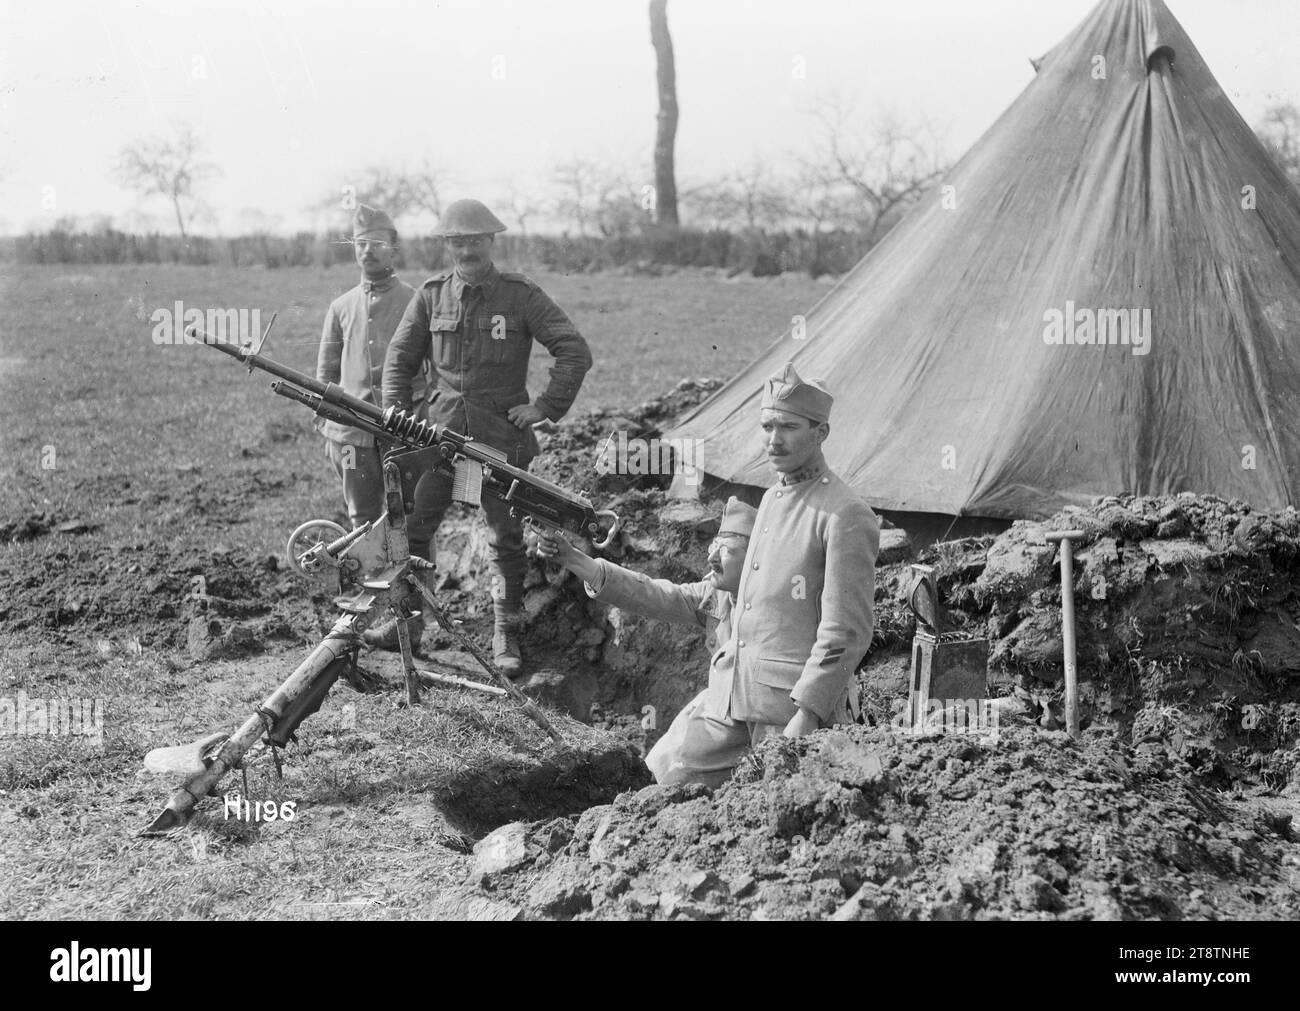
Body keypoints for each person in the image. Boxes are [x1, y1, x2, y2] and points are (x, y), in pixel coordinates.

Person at [543, 363, 879, 786]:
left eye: (788, 427)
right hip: (727, 705)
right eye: (767, 426)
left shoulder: (844, 514)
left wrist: (807, 715)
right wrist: (583, 564)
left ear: (821, 433)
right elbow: (695, 597)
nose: (774, 440)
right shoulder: (773, 498)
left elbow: (846, 631)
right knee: (658, 783)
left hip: (787, 714)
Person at [381, 198, 592, 670]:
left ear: (490, 242)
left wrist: (544, 407)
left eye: (475, 240)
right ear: (447, 245)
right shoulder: (432, 295)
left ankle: (505, 634)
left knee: (506, 537)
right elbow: (399, 360)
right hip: (439, 439)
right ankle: (410, 623)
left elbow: (574, 351)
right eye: (457, 241)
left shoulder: (520, 296)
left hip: (501, 439)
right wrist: (396, 418)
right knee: (415, 529)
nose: (466, 249)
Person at [315, 203, 422, 531]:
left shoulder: (416, 301)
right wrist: (330, 427)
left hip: (404, 430)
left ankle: (415, 582)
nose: (367, 252)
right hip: (353, 433)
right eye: (360, 244)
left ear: (393, 248)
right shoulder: (341, 307)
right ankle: (367, 581)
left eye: (376, 244)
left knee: (408, 520)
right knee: (361, 520)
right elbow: (326, 375)